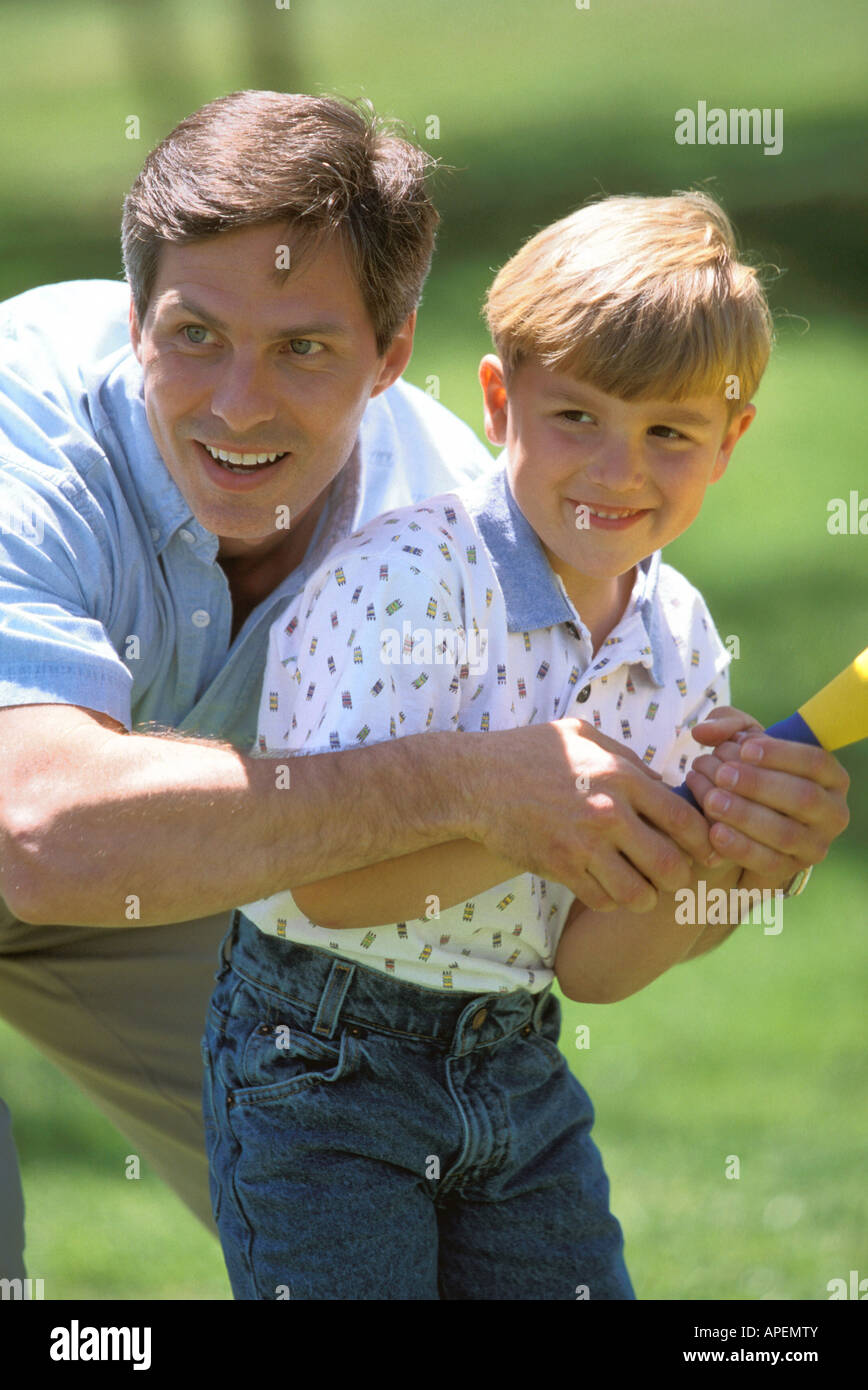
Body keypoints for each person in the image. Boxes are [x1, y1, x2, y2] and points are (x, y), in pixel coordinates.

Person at [0, 92, 730, 1289]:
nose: (239, 403)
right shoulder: (22, 427)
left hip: (172, 863)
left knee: (377, 1217)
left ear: (390, 356)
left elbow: (570, 907)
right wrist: (459, 783)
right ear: (135, 319)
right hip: (69, 826)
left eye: (303, 346)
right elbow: (41, 832)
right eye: (194, 334)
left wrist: (722, 840)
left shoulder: (445, 529)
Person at [201, 191, 851, 1300]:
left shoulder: (681, 637)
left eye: (669, 433)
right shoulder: (405, 583)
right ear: (501, 402)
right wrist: (544, 817)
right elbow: (327, 889)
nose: (617, 471)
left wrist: (725, 857)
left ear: (729, 439)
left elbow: (593, 965)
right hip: (319, 1060)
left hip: (516, 1057)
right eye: (578, 418)